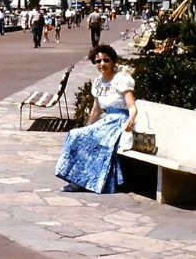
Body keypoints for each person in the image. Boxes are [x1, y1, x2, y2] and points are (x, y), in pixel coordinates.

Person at [55, 45, 138, 193]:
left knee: (91, 140)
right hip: (106, 121)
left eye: (106, 60)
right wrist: (87, 127)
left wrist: (131, 119)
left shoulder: (121, 79)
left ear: (113, 61)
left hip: (119, 122)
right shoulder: (98, 82)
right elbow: (96, 110)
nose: (102, 64)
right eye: (98, 61)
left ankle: (86, 181)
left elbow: (131, 106)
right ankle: (76, 178)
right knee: (77, 134)